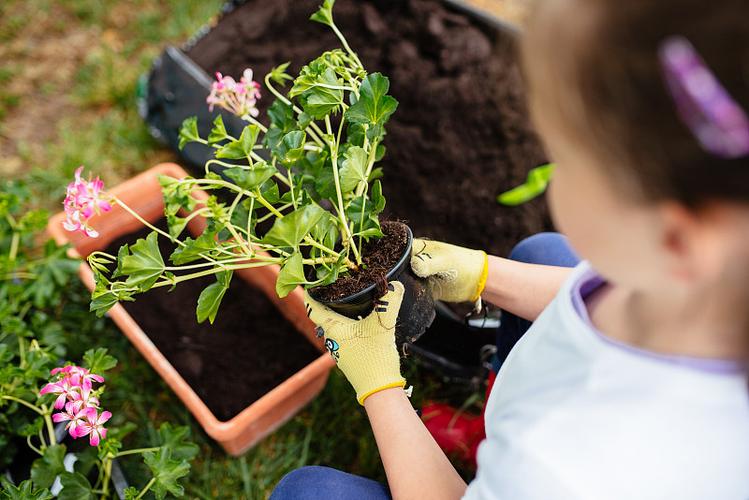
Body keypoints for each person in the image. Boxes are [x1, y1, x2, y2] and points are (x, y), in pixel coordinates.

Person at [270, 0, 749, 498]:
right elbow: (610, 293)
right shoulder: (709, 284)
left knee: (307, 492)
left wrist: (381, 390)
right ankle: (488, 437)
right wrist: (482, 276)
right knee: (544, 253)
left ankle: (488, 462)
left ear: (672, 238)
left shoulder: (557, 470)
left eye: (565, 161)